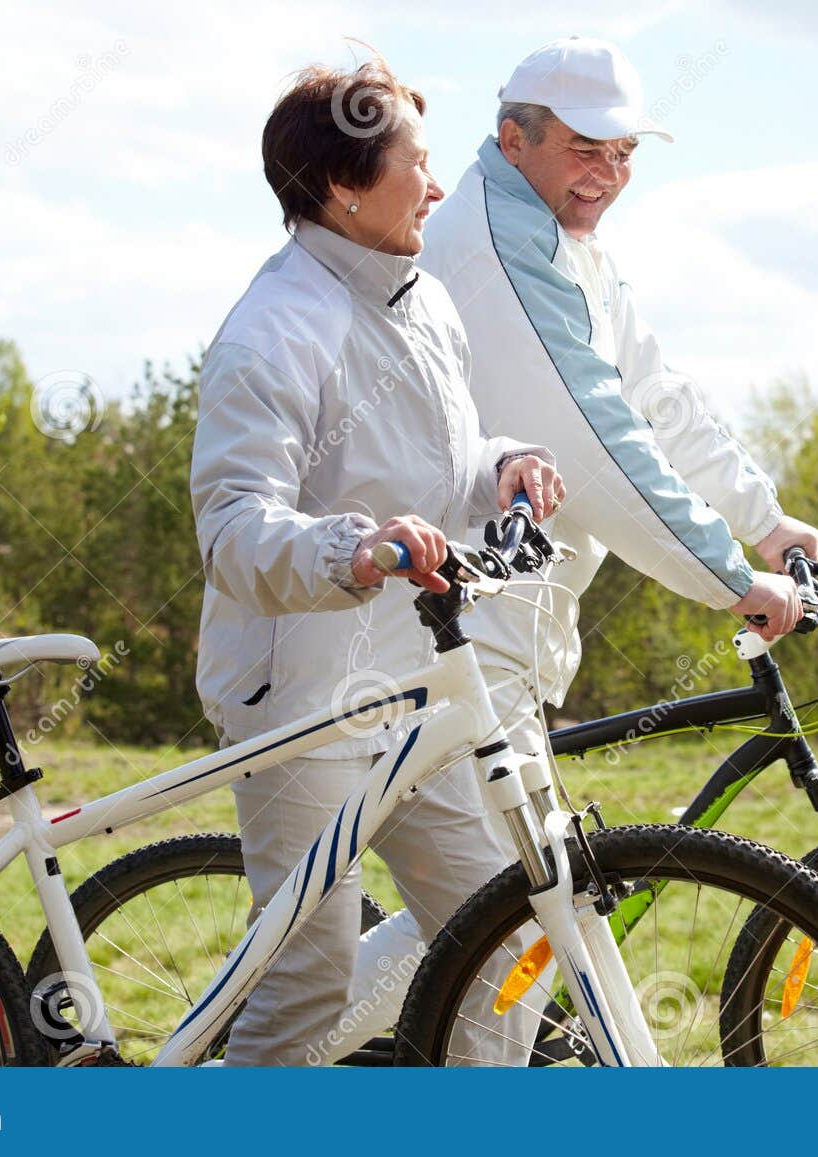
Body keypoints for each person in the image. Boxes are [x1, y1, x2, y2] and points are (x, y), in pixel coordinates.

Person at [330, 37, 818, 1053]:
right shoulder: (498, 249)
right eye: (586, 148)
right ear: (514, 139)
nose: (610, 171)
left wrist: (762, 516)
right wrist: (730, 576)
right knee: (508, 925)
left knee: (491, 917)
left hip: (500, 620)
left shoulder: (560, 244)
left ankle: (244, 1057)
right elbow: (601, 439)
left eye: (627, 152)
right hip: (444, 620)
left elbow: (655, 390)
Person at [190, 55, 562, 1065]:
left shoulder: (422, 300)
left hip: (416, 690)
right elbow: (230, 527)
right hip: (301, 703)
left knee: (509, 938)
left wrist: (505, 467)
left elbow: (439, 464)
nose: (438, 189)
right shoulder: (273, 330)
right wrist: (358, 546)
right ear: (344, 190)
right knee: (307, 982)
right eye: (418, 166)